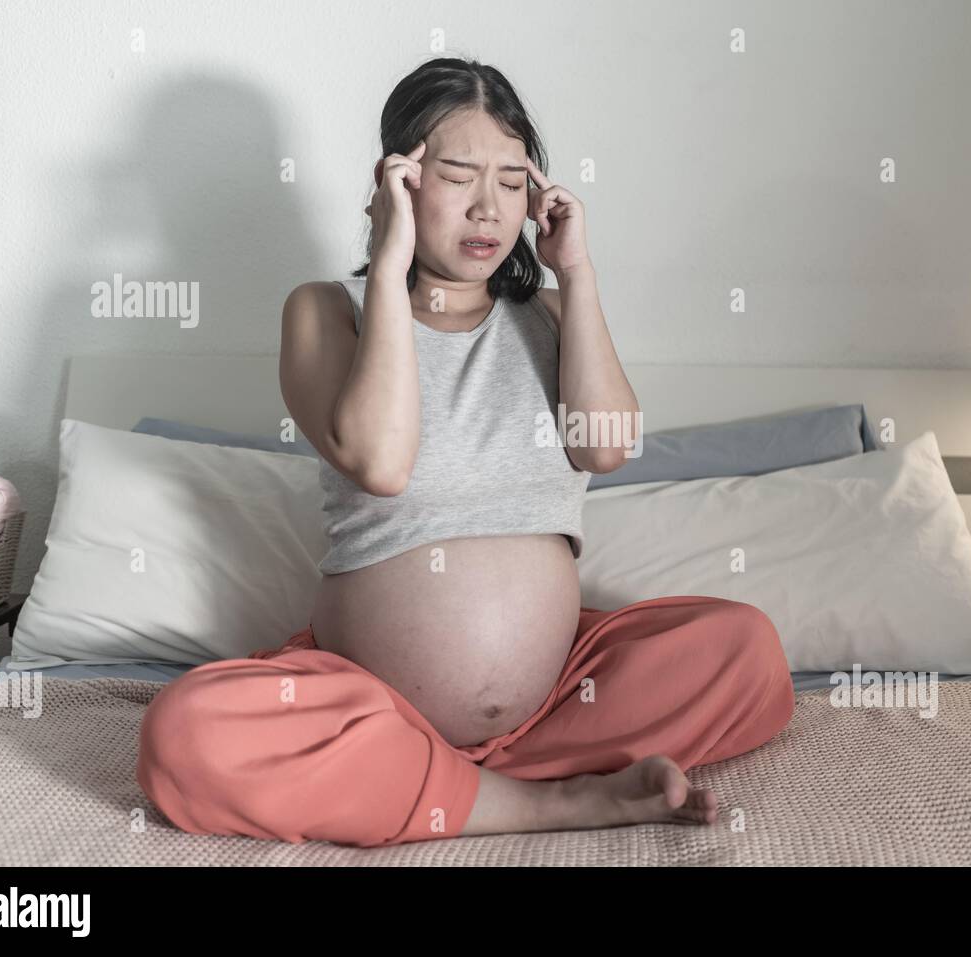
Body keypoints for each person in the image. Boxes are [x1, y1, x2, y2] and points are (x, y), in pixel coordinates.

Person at [137, 57, 795, 848]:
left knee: (747, 652)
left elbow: (607, 449)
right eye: (458, 175)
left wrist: (577, 274)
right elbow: (381, 461)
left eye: (513, 181)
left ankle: (446, 785)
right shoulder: (325, 312)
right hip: (367, 705)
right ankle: (552, 802)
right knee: (186, 732)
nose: (490, 207)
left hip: (556, 703)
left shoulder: (550, 316)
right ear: (399, 181)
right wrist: (388, 261)